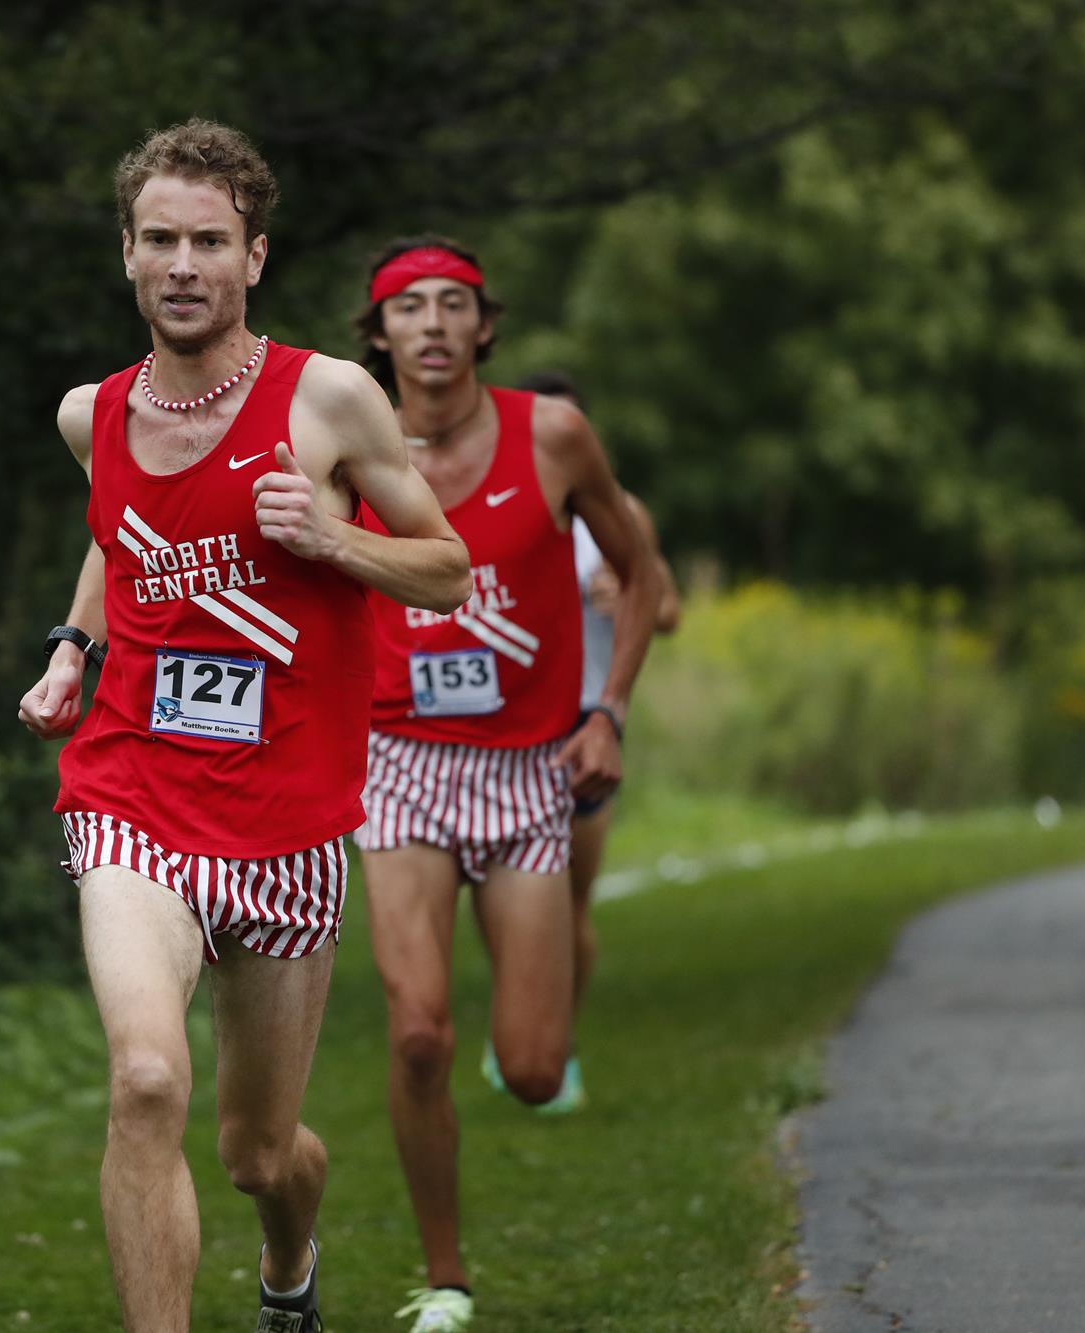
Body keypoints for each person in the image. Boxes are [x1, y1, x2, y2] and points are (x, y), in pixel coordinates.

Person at [17, 123, 471, 1333]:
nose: (181, 263)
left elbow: (445, 570)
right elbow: (124, 536)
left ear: (252, 257)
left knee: (258, 1155)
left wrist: (327, 538)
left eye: (207, 241)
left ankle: (288, 1265)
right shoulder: (87, 415)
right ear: (125, 255)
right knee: (147, 1077)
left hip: (285, 818)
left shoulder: (327, 400)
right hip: (134, 791)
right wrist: (74, 648)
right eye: (158, 239)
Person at [348, 237, 660, 1332]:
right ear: (377, 335)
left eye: (453, 307)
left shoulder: (553, 434)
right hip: (394, 763)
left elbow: (640, 574)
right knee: (418, 1031)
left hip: (527, 770)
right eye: (406, 308)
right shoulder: (343, 442)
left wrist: (604, 710)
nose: (430, 324)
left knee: (530, 1071)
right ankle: (445, 1276)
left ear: (484, 329)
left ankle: (525, 1034)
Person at [517, 370, 681, 1107]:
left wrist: (624, 597)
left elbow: (667, 605)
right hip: (510, 730)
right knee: (520, 904)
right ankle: (522, 1028)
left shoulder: (620, 513)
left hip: (586, 725)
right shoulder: (501, 507)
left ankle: (561, 1042)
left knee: (571, 902)